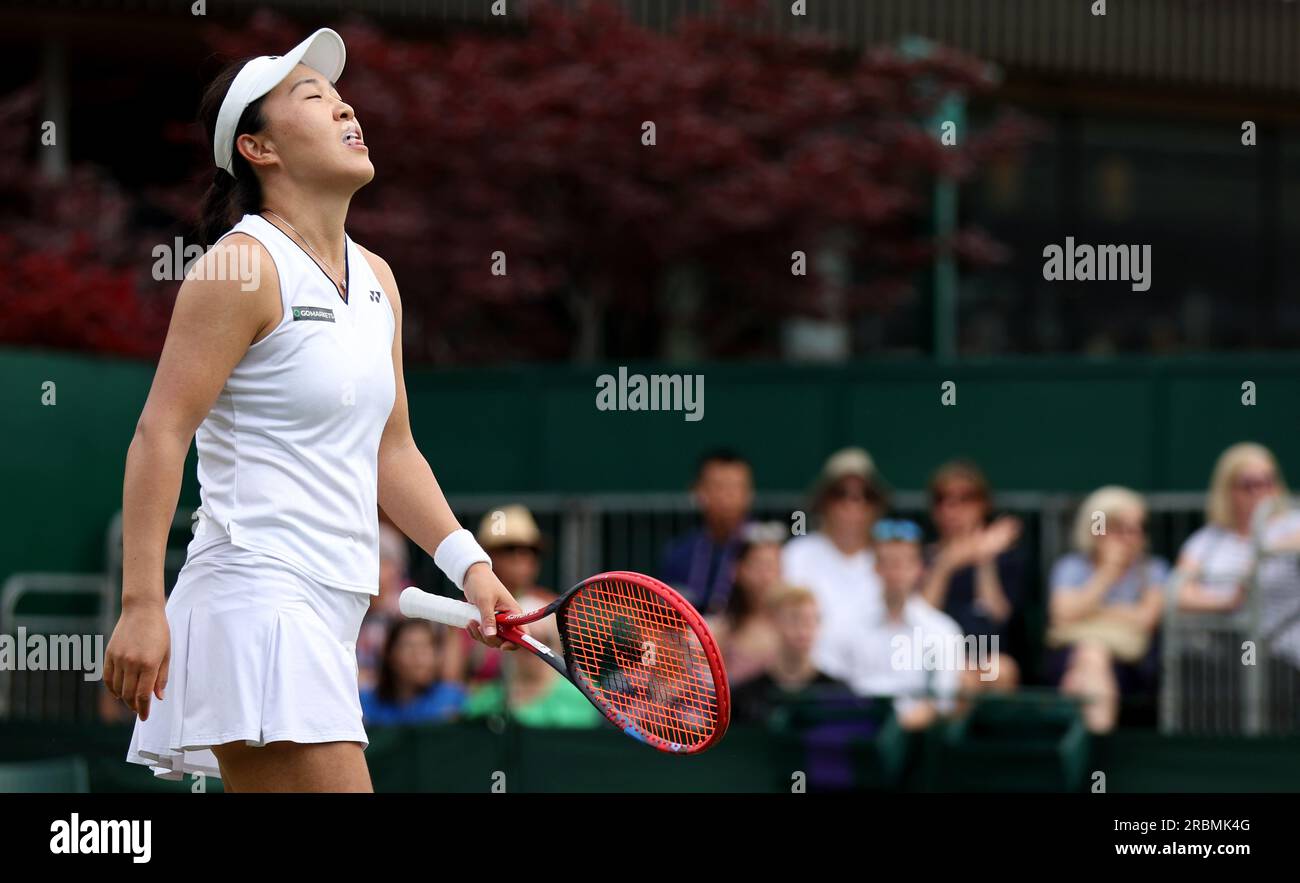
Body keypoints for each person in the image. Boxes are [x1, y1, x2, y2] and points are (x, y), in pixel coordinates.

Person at [105, 29, 521, 792]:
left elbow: (392, 452)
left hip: (329, 614)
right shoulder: (240, 265)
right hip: (256, 594)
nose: (345, 105)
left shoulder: (379, 281)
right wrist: (140, 603)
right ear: (259, 149)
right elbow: (160, 432)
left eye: (340, 96)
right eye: (314, 97)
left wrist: (473, 567)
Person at [820, 519, 964, 731]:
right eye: (888, 563)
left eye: (904, 563)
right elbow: (830, 682)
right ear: (876, 568)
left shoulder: (942, 630)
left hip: (914, 738)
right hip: (854, 729)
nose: (895, 572)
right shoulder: (847, 625)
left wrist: (895, 727)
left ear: (919, 569)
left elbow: (941, 701)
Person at [1046, 487, 1166, 734]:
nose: (1131, 537)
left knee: (1083, 670)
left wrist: (1091, 612)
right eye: (1120, 528)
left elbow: (1146, 619)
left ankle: (1084, 750)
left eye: (1137, 528)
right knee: (1090, 657)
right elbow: (1061, 615)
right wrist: (1107, 572)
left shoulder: (1154, 569)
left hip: (1132, 665)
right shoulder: (1070, 567)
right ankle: (1097, 745)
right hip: (1070, 658)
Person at [919, 460, 1023, 691]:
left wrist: (983, 557)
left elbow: (998, 614)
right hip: (930, 659)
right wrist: (945, 565)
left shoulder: (1005, 558)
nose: (952, 509)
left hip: (986, 655)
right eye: (942, 499)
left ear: (983, 504)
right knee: (961, 676)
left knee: (1000, 670)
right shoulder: (921, 558)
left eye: (965, 498)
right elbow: (920, 616)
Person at [781, 447, 887, 669]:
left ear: (875, 505)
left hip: (875, 685)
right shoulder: (796, 555)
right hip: (810, 686)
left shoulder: (889, 561)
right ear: (824, 501)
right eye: (841, 494)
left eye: (864, 495)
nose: (852, 504)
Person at [445, 504, 555, 686]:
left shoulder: (550, 606)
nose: (522, 558)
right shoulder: (461, 613)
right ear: (485, 555)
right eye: (509, 549)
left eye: (531, 550)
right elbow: (451, 682)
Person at [729, 585, 853, 725]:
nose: (804, 630)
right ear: (772, 624)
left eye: (811, 620)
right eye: (794, 619)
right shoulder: (744, 698)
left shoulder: (839, 694)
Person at [463, 610, 602, 729]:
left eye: (543, 641)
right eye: (524, 641)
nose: (534, 650)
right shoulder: (486, 698)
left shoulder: (582, 692)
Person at [660, 449, 754, 614]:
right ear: (698, 491)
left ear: (748, 494)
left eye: (737, 487)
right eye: (719, 487)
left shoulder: (765, 552)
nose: (728, 495)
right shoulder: (678, 553)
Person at [712, 521, 787, 684]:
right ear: (737, 570)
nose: (767, 576)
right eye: (759, 565)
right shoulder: (720, 628)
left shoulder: (793, 625)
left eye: (773, 566)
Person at [360, 620, 467, 726]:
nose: (420, 658)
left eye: (426, 647)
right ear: (389, 654)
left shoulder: (452, 700)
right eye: (410, 647)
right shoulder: (363, 704)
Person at [356, 520, 412, 689]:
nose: (373, 571)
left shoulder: (407, 611)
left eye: (382, 563)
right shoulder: (343, 609)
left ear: (397, 569)